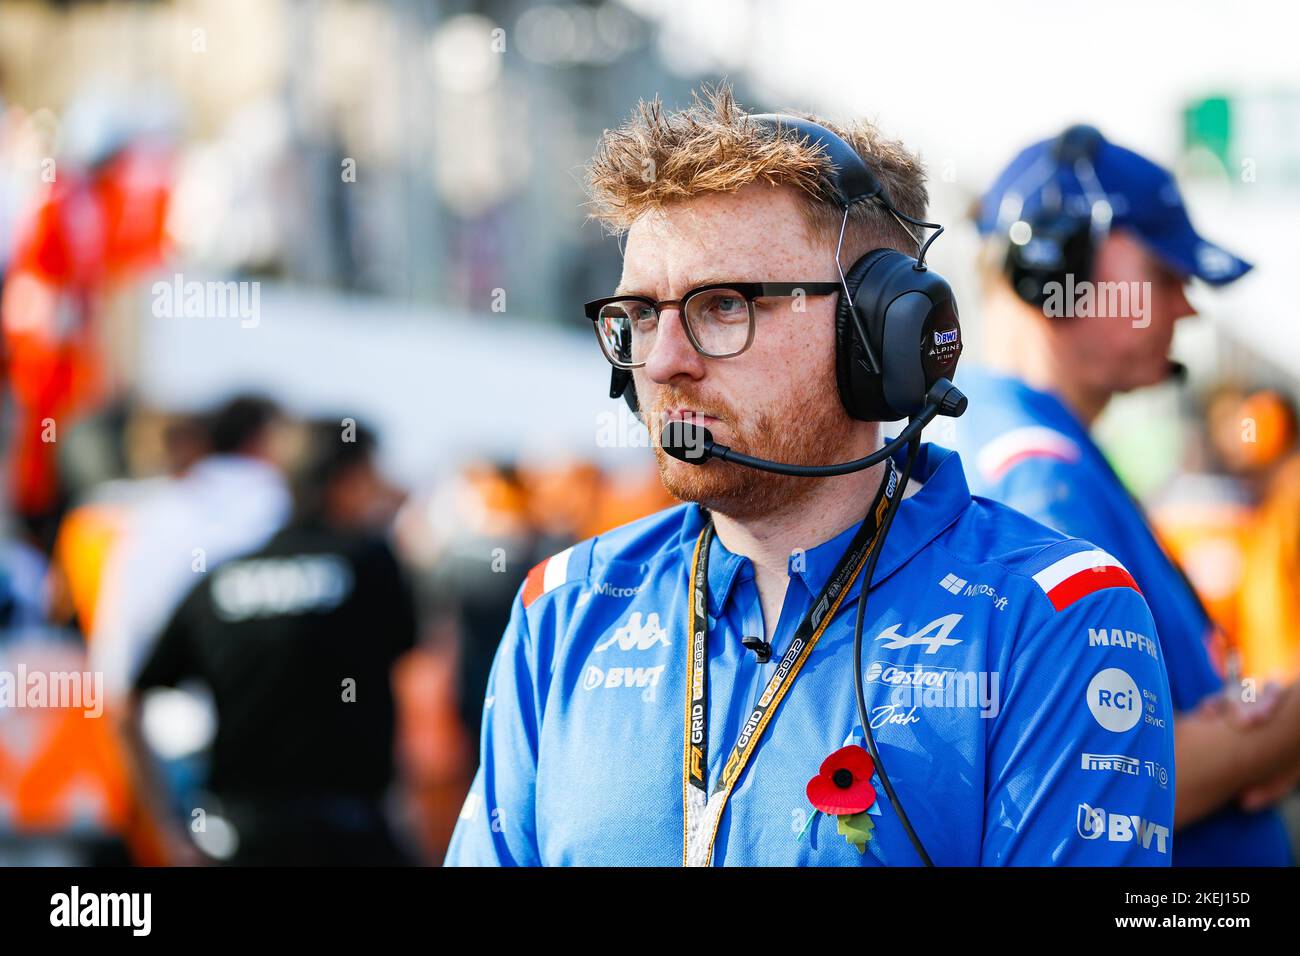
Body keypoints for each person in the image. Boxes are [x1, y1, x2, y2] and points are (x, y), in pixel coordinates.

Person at [445, 85, 1174, 866]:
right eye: (642, 315)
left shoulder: (1052, 615)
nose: (661, 363)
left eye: (722, 306)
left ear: (883, 333)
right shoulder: (563, 610)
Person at [950, 124, 1299, 865]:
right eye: (1167, 276)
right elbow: (1102, 783)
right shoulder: (1035, 470)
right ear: (1051, 265)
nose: (1186, 309)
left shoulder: (1038, 445)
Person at [119, 420, 418, 864]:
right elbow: (421, 675)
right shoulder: (370, 564)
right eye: (372, 479)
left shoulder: (219, 581)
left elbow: (127, 704)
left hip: (236, 840)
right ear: (347, 482)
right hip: (350, 839)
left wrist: (167, 834)